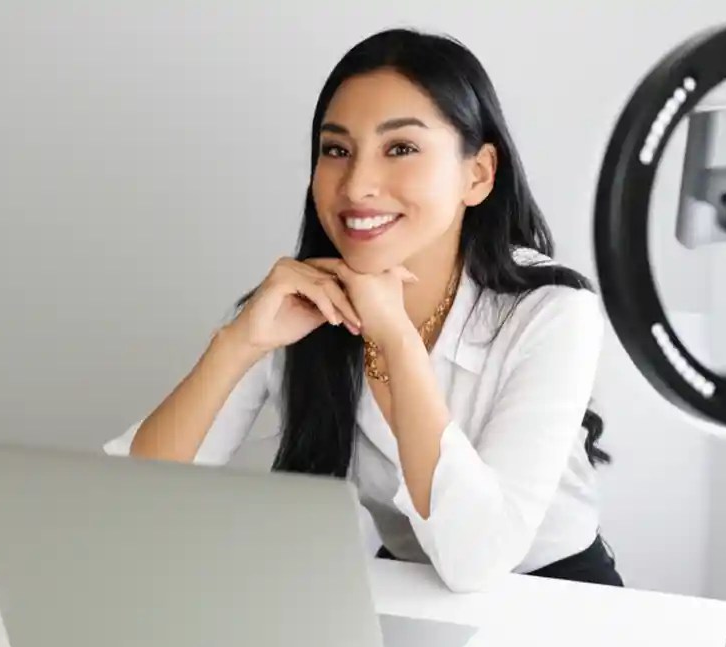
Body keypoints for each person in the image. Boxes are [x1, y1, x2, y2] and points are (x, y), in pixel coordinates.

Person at [103, 27, 623, 593]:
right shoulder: (294, 308)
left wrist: (396, 337)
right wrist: (237, 343)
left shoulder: (553, 311)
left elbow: (478, 559)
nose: (358, 184)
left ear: (477, 174)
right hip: (407, 593)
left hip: (558, 599)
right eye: (336, 150)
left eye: (400, 148)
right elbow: (129, 505)